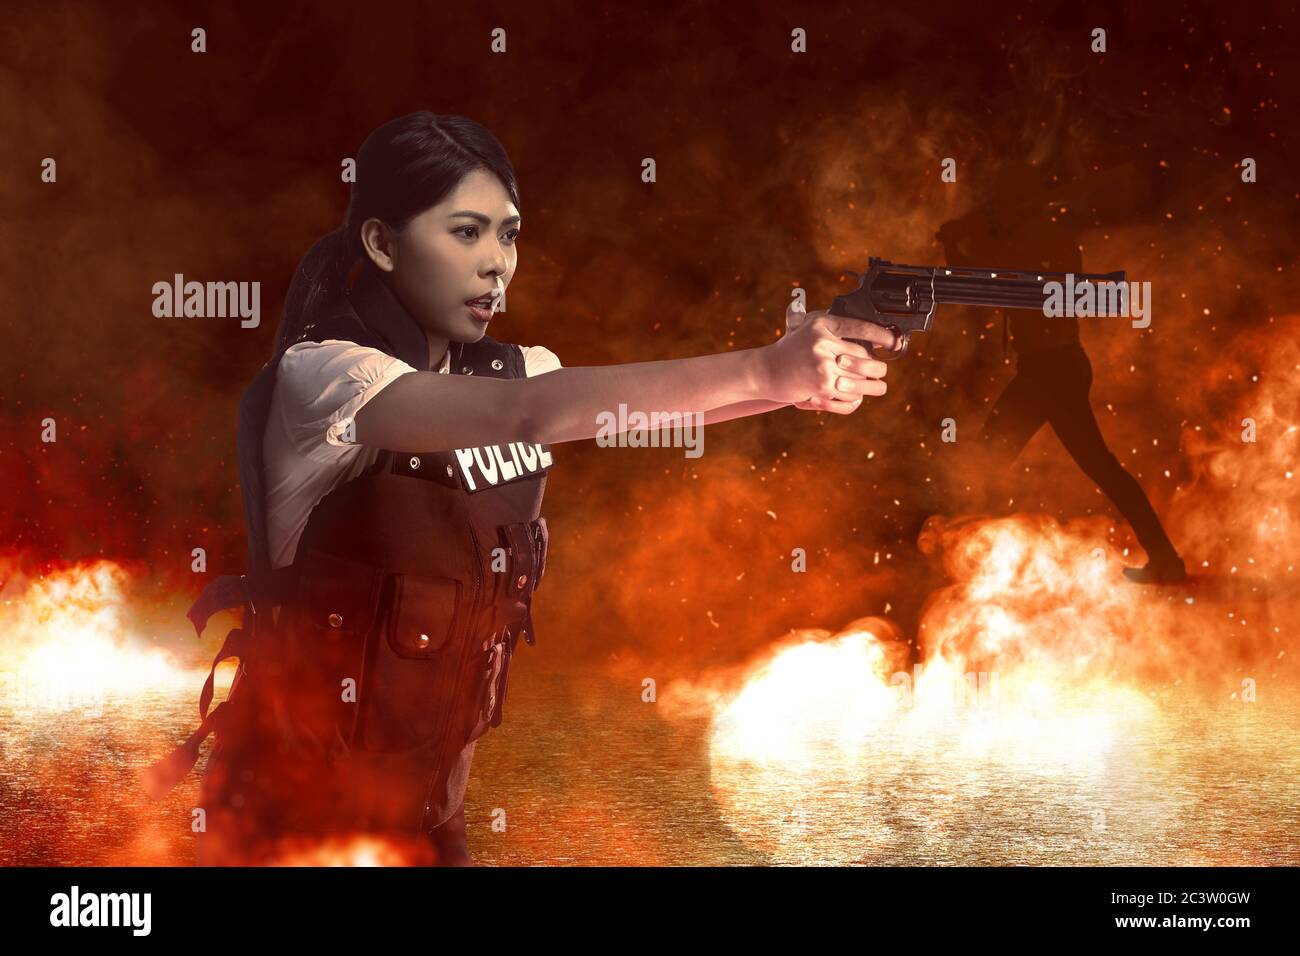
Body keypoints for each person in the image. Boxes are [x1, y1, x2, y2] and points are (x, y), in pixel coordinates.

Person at [143, 111, 903, 865]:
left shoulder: (517, 370)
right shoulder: (328, 375)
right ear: (381, 242)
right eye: (465, 231)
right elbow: (528, 414)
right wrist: (768, 369)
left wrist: (798, 378)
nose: (497, 263)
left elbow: (628, 409)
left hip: (430, 818)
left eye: (508, 234)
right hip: (289, 825)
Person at [937, 160, 1186, 584]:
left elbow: (975, 271)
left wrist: (958, 236)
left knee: (997, 460)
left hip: (1050, 372)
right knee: (1003, 459)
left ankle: (972, 567)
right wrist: (969, 236)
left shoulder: (1033, 241)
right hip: (1051, 368)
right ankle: (1164, 558)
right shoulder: (1048, 238)